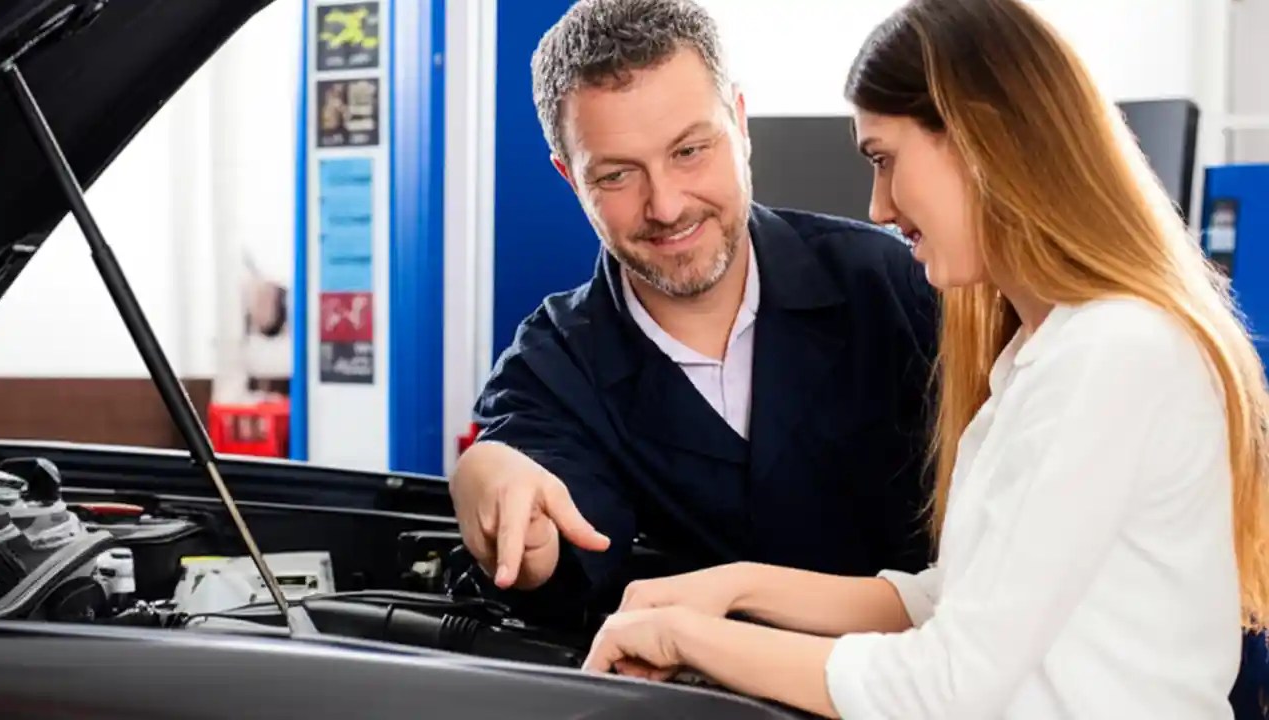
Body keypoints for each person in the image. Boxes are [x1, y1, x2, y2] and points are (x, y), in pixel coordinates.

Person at [578, 0, 1269, 718]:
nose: (877, 206)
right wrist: (735, 586)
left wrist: (685, 638)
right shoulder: (1044, 355)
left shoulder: (1114, 355)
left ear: (984, 141)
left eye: (884, 160)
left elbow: (946, 685)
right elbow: (949, 601)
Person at [448, 0, 939, 620]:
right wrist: (500, 492)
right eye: (618, 175)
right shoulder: (552, 368)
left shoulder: (894, 284)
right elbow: (550, 531)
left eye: (689, 152)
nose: (667, 205)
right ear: (571, 179)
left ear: (740, 123)